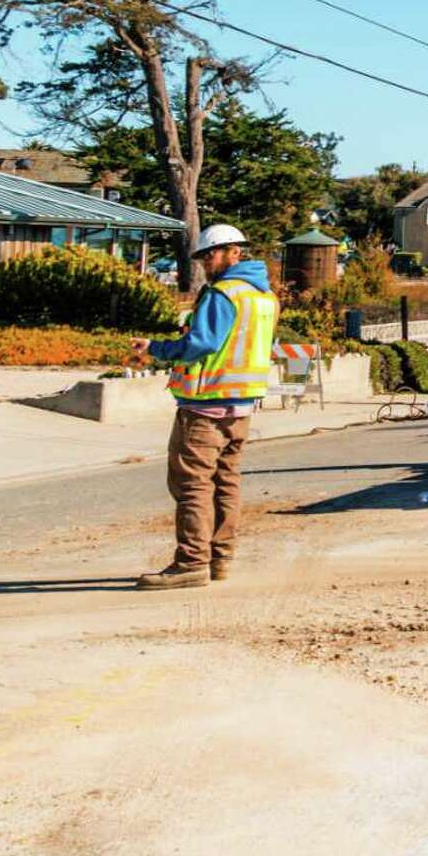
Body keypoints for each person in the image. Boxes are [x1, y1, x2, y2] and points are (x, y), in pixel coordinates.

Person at [131, 224, 278, 590]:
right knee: (226, 482)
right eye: (202, 257)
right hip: (240, 407)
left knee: (192, 485)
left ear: (234, 252)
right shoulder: (264, 296)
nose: (205, 263)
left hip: (205, 407)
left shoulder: (223, 294)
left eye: (209, 255)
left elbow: (202, 343)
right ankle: (219, 558)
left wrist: (156, 348)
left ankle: (192, 563)